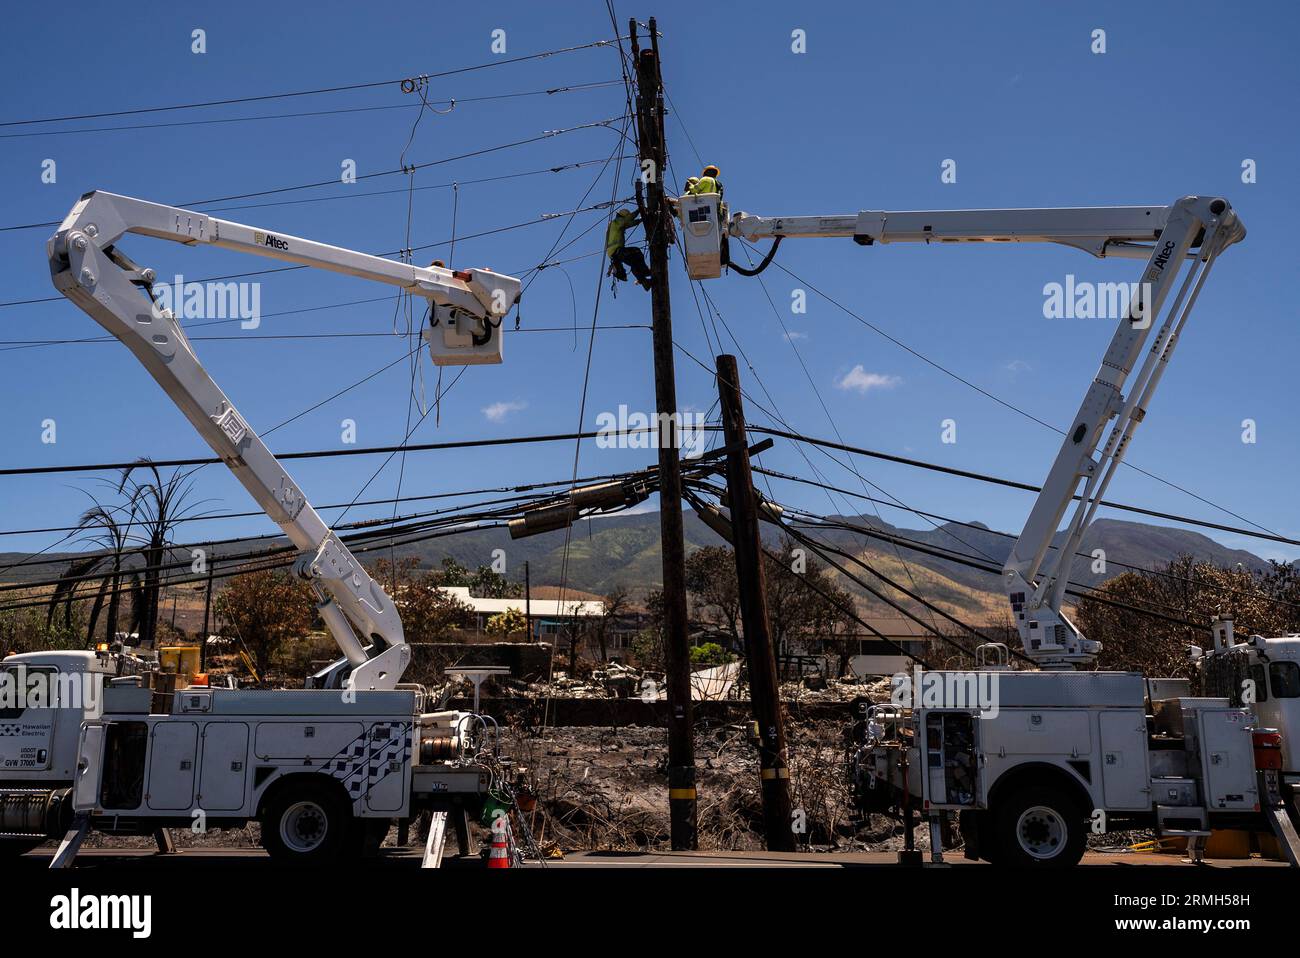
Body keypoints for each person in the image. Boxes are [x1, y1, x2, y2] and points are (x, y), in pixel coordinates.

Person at [605, 208, 652, 290]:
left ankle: (644, 281)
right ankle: (645, 272)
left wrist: (640, 220)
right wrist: (639, 210)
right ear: (622, 217)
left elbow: (630, 223)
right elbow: (628, 219)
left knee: (634, 262)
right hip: (616, 251)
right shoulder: (616, 222)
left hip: (616, 253)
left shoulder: (618, 224)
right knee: (636, 252)